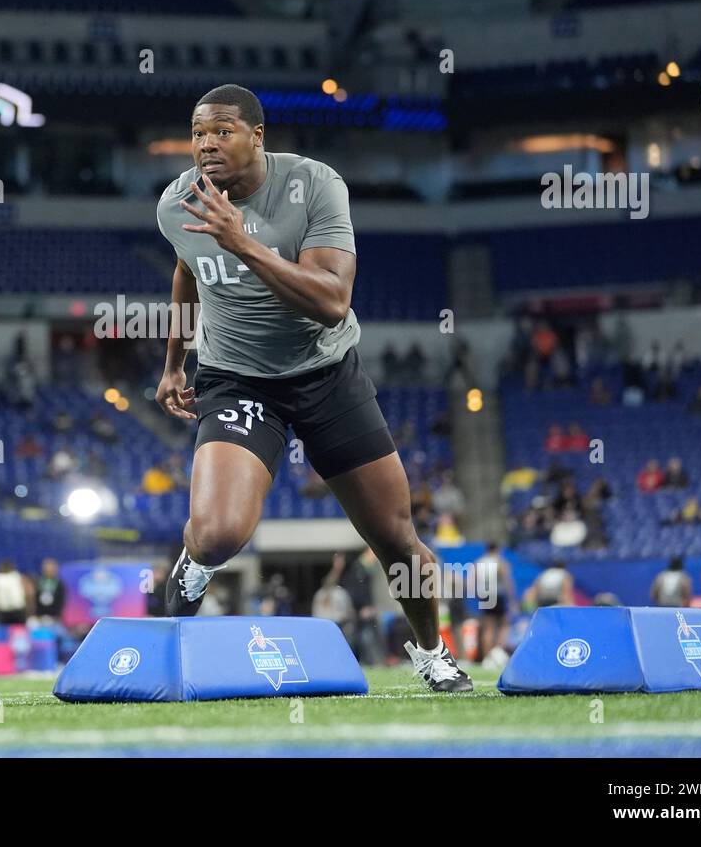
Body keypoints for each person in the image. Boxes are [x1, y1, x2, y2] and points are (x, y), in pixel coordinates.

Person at [153, 84, 471, 691]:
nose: (206, 144)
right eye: (197, 133)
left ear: (257, 136)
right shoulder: (177, 203)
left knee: (397, 540)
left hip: (325, 372)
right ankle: (194, 565)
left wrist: (240, 239)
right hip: (237, 378)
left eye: (222, 130)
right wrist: (174, 362)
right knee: (218, 533)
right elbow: (186, 268)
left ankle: (432, 653)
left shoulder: (315, 184)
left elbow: (331, 302)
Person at [476, 543, 515, 663]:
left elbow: (474, 581)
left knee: (488, 628)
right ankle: (498, 655)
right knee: (504, 625)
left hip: (485, 595)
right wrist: (512, 599)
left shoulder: (479, 562)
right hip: (497, 595)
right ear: (497, 549)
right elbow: (507, 580)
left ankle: (487, 658)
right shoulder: (500, 561)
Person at [34, 558, 66, 624]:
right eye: (47, 568)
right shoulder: (39, 582)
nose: (49, 571)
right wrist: (37, 615)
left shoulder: (59, 584)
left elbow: (61, 601)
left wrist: (57, 616)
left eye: (51, 569)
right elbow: (35, 599)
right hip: (40, 617)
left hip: (55, 618)